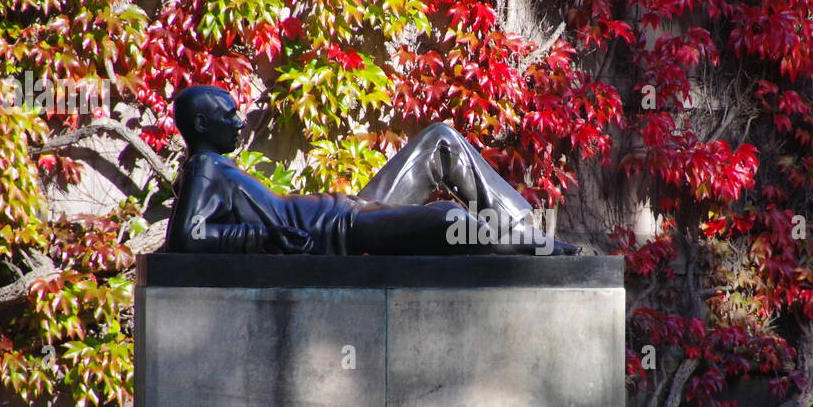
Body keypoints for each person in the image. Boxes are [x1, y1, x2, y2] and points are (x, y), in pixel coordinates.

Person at [163, 85, 580, 256]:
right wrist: (271, 237)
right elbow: (186, 238)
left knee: (441, 140)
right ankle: (536, 248)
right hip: (340, 230)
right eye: (230, 115)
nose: (240, 122)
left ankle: (527, 236)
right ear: (201, 125)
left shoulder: (215, 166)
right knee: (446, 217)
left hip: (354, 210)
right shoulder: (203, 166)